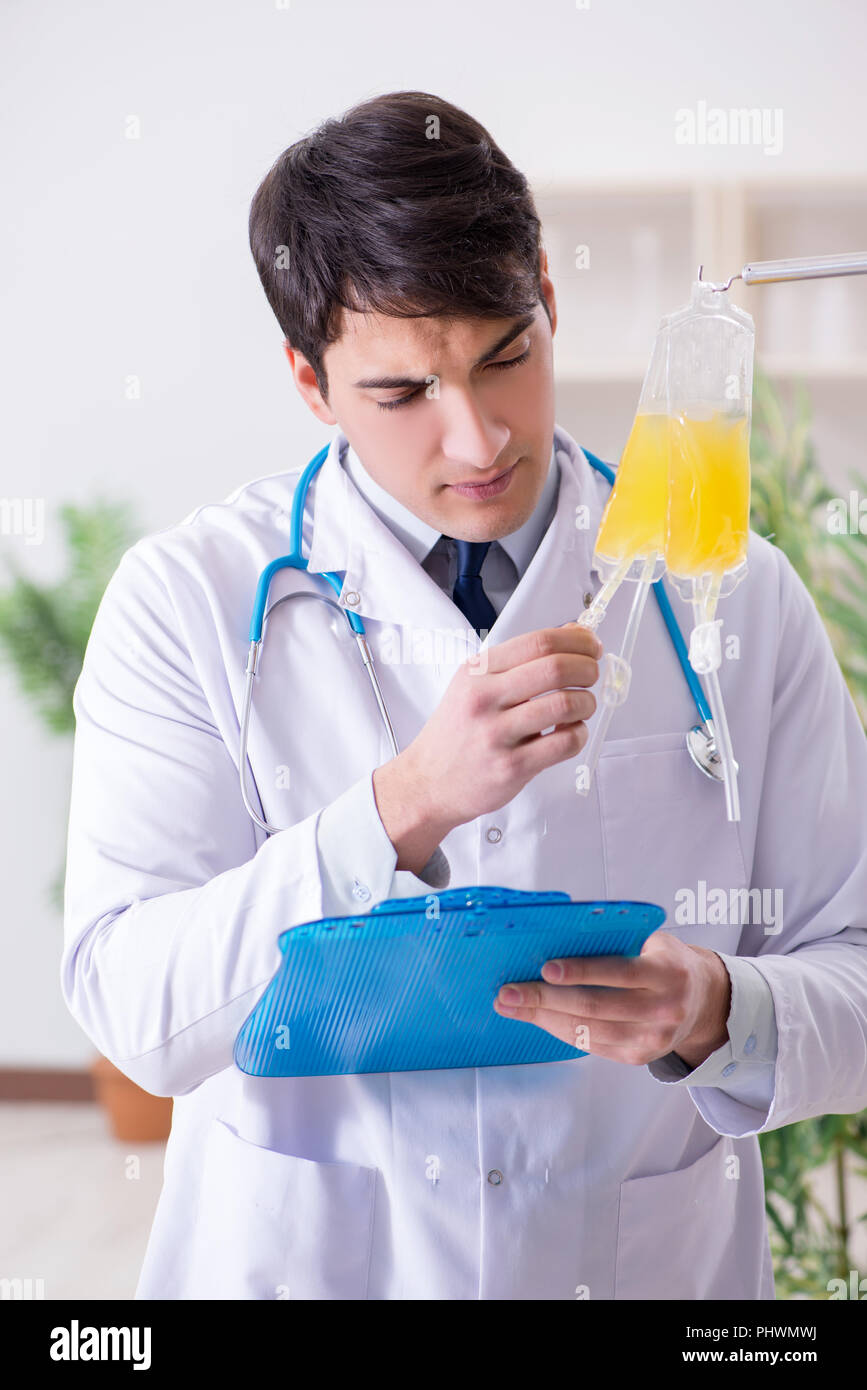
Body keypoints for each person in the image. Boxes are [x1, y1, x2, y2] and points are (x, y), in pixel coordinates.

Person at [61, 90, 867, 1301]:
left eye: (506, 356)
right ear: (307, 378)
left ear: (548, 293)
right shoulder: (185, 602)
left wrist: (718, 1006)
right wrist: (397, 807)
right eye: (402, 394)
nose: (479, 437)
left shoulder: (732, 596)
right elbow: (138, 1007)